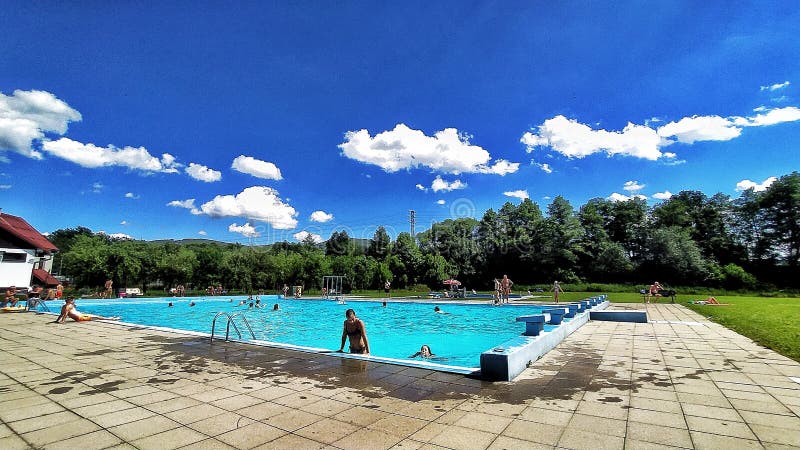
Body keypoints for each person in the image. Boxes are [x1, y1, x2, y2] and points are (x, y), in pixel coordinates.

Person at [55, 298, 120, 323]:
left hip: (80, 316)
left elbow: (61, 314)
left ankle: (110, 318)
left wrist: (57, 320)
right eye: (72, 300)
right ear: (69, 301)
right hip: (80, 317)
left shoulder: (64, 306)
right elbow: (65, 314)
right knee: (97, 317)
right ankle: (111, 319)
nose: (73, 301)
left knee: (95, 316)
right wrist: (63, 321)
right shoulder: (69, 306)